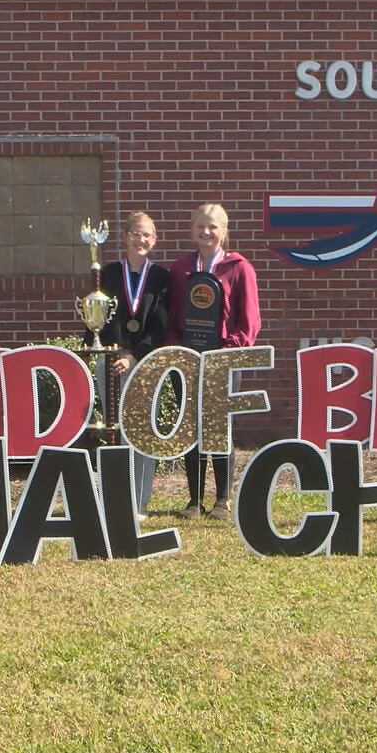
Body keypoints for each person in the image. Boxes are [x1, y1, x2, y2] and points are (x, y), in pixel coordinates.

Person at [164, 202, 260, 518]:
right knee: (191, 428)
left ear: (224, 232)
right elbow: (172, 316)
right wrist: (179, 351)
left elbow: (249, 322)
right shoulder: (180, 270)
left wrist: (227, 350)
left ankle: (222, 500)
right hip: (189, 360)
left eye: (213, 227)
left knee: (219, 429)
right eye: (200, 226)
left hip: (223, 360)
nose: (206, 232)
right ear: (192, 230)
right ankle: (194, 501)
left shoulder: (239, 268)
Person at [97, 212, 170, 518]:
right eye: (135, 233)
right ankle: (113, 497)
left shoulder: (160, 278)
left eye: (147, 235)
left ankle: (139, 501)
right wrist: (114, 353)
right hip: (110, 361)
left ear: (154, 241)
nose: (141, 240)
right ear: (125, 236)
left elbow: (160, 324)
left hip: (144, 361)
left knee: (141, 432)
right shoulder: (108, 273)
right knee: (114, 429)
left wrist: (134, 354)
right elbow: (100, 318)